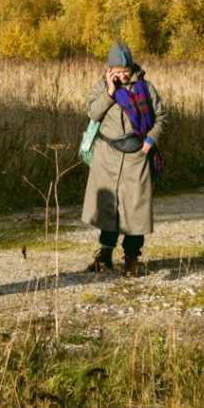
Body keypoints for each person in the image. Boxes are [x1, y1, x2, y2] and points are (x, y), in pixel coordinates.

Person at [81, 41, 165, 276]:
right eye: (117, 72)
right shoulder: (101, 87)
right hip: (107, 156)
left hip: (137, 157)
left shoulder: (146, 88)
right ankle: (105, 254)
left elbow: (160, 117)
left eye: (125, 71)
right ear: (109, 70)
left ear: (132, 67)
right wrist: (109, 92)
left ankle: (131, 258)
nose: (122, 76)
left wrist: (150, 141)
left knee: (134, 210)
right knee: (108, 208)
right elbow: (93, 113)